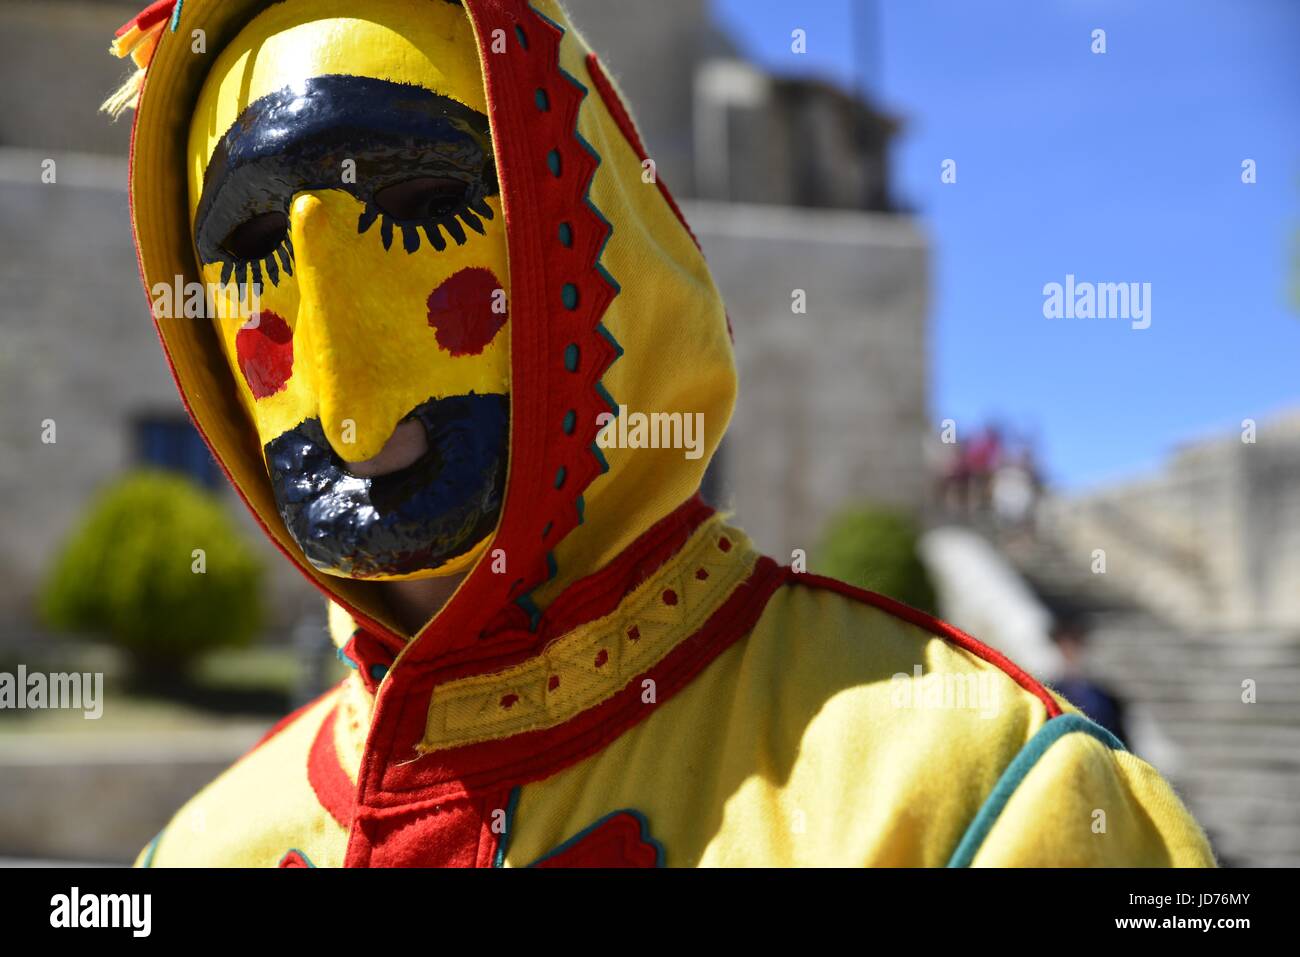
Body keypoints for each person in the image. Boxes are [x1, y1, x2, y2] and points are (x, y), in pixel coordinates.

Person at [105, 0, 1214, 867]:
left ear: (586, 248)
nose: (349, 402)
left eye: (421, 210)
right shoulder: (196, 852)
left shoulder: (976, 801)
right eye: (251, 243)